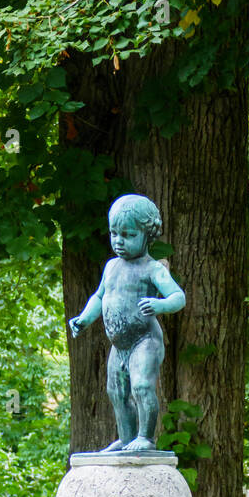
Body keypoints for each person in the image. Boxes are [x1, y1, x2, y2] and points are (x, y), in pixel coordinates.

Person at [69, 193, 185, 453]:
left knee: (142, 386)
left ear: (148, 235)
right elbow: (99, 297)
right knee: (116, 393)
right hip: (118, 345)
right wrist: (84, 319)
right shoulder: (111, 267)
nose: (119, 241)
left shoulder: (152, 268)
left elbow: (178, 297)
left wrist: (160, 305)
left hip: (144, 339)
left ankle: (146, 437)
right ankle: (126, 437)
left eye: (129, 235)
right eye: (114, 234)